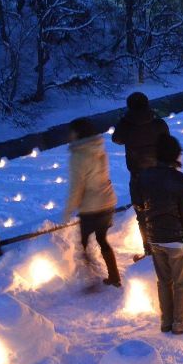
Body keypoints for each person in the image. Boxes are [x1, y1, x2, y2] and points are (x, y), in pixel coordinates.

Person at [135, 134, 183, 334]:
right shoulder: (181, 181)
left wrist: (147, 238)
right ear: (175, 155)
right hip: (177, 240)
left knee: (164, 282)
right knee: (182, 283)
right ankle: (180, 324)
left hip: (155, 237)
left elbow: (140, 207)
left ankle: (166, 322)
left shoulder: (144, 177)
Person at [62, 117, 120, 287]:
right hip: (107, 201)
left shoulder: (78, 156)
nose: (69, 135)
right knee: (102, 240)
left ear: (77, 133)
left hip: (90, 207)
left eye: (71, 131)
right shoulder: (99, 148)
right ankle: (114, 276)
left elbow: (76, 187)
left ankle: (90, 280)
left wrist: (68, 211)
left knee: (84, 244)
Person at [112, 92, 170, 256]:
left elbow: (116, 139)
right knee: (164, 209)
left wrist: (125, 119)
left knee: (143, 216)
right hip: (160, 175)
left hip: (139, 178)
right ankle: (168, 247)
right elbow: (167, 140)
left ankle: (150, 251)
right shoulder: (159, 124)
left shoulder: (126, 126)